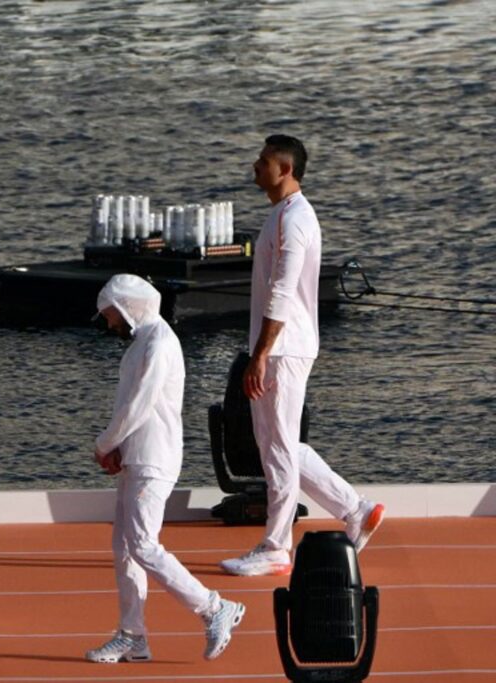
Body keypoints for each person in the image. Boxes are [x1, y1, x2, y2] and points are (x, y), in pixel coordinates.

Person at [220, 135, 385, 577]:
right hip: (284, 347)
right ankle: (356, 508)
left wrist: (260, 354)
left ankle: (276, 546)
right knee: (282, 444)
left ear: (286, 169)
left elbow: (283, 289)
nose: (256, 166)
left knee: (276, 448)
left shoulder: (294, 219)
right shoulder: (283, 214)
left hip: (283, 350)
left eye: (264, 161)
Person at [85, 274, 245, 664]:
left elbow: (139, 405)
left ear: (127, 307)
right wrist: (117, 446)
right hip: (137, 457)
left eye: (109, 314)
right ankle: (133, 636)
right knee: (125, 549)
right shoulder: (141, 344)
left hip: (154, 458)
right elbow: (131, 407)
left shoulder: (159, 343)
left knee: (142, 544)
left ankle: (213, 607)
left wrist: (104, 444)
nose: (108, 322)